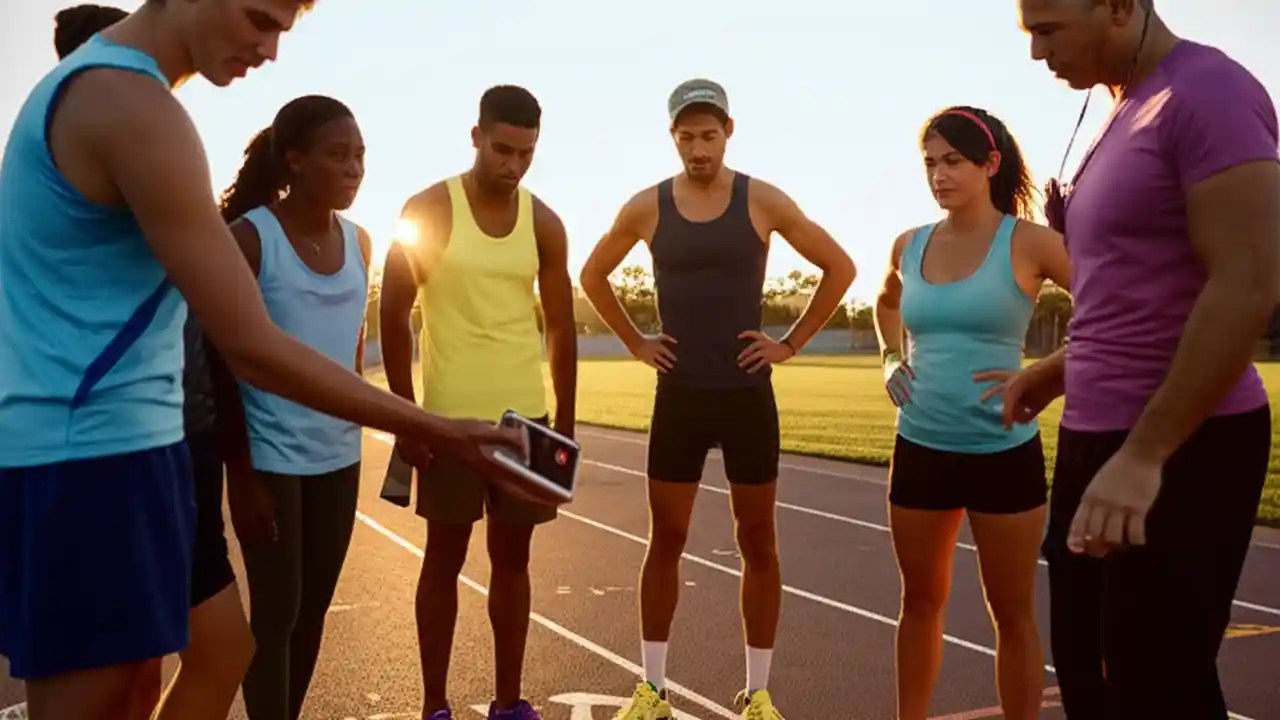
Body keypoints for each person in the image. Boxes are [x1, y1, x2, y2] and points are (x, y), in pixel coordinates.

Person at [0, 3, 524, 720]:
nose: (269, 49)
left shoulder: (130, 93)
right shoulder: (125, 102)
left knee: (220, 651)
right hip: (84, 458)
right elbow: (251, 345)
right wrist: (437, 427)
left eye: (283, 28)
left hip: (139, 450)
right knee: (106, 696)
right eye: (258, 17)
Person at [993, 1, 1280, 717]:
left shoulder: (1209, 94)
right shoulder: (1113, 108)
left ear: (1121, 6)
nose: (1036, 53)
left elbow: (1249, 279)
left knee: (1158, 684)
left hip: (1184, 442)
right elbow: (1128, 286)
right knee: (1090, 678)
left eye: (1049, 30)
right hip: (1099, 432)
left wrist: (1147, 454)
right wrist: (1056, 371)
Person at [580, 79, 856, 720]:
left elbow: (839, 266)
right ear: (671, 136)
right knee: (666, 539)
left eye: (708, 135)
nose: (697, 148)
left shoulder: (761, 200)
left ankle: (759, 694)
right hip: (678, 396)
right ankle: (651, 691)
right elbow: (592, 274)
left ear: (728, 130)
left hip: (745, 398)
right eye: (686, 136)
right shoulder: (646, 207)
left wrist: (789, 343)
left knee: (758, 540)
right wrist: (634, 342)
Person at [50, 5, 257, 720]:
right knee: (121, 671)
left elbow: (216, 332)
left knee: (196, 653)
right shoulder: (89, 150)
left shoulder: (155, 159)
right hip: (106, 447)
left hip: (179, 439)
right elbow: (253, 342)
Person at [380, 84, 578, 720]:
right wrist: (406, 418)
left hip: (526, 422)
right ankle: (434, 705)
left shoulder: (545, 222)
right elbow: (391, 313)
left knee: (513, 563)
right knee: (443, 560)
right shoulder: (428, 211)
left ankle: (508, 703)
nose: (512, 165)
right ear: (475, 136)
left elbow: (560, 326)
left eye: (526, 153)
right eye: (501, 149)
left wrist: (565, 426)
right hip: (448, 420)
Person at [874, 106, 1071, 720]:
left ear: (990, 164)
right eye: (930, 162)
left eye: (953, 161)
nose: (939, 174)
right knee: (919, 603)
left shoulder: (1031, 241)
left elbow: (1111, 309)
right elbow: (886, 303)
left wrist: (1042, 377)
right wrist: (887, 359)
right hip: (921, 446)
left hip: (1003, 451)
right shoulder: (910, 244)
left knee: (1011, 614)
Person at [213, 94, 373, 720]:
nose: (355, 168)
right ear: (295, 160)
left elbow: (353, 362)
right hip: (271, 459)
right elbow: (222, 369)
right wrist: (242, 477)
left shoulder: (362, 242)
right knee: (276, 612)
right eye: (339, 155)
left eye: (360, 156)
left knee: (311, 613)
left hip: (340, 454)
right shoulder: (250, 239)